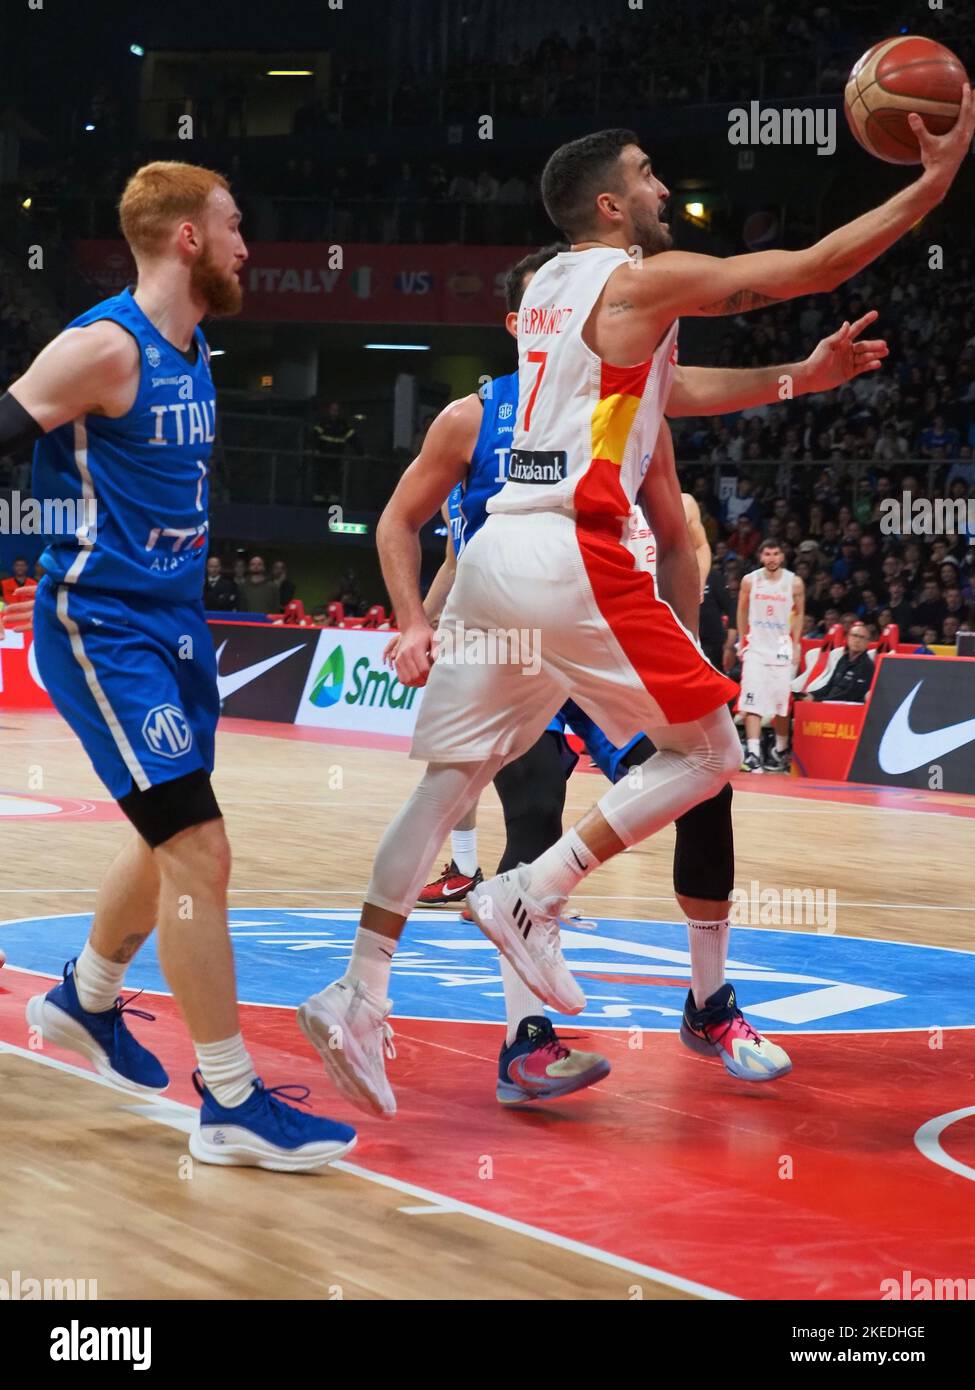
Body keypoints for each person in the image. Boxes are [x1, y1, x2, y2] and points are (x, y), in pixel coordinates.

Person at [295, 106, 950, 1115]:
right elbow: (807, 268)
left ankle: (356, 990)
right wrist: (930, 186)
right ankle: (532, 889)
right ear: (610, 202)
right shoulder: (636, 277)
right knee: (713, 753)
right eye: (647, 175)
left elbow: (666, 391)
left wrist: (796, 378)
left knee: (446, 784)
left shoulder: (555, 288)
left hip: (496, 554)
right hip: (574, 552)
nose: (661, 187)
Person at [3, 160, 354, 1169]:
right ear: (188, 238)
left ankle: (86, 998)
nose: (250, 244)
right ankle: (232, 1102)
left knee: (173, 834)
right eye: (235, 225)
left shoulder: (195, 342)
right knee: (199, 849)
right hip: (102, 625)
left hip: (175, 623)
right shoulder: (104, 346)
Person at [737, 540, 805, 772]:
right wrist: (741, 638)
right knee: (751, 699)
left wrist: (795, 644)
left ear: (783, 556)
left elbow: (799, 614)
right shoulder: (750, 580)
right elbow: (742, 610)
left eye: (776, 553)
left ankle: (780, 749)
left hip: (781, 648)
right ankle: (754, 753)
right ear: (761, 556)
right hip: (756, 646)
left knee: (782, 704)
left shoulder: (794, 582)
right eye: (768, 554)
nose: (772, 558)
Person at [798, 621, 875, 702]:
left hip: (846, 708)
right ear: (847, 637)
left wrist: (817, 700)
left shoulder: (867, 666)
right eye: (854, 636)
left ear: (868, 643)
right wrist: (812, 695)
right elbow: (829, 687)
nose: (857, 640)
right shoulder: (843, 660)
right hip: (828, 702)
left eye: (862, 637)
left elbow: (850, 695)